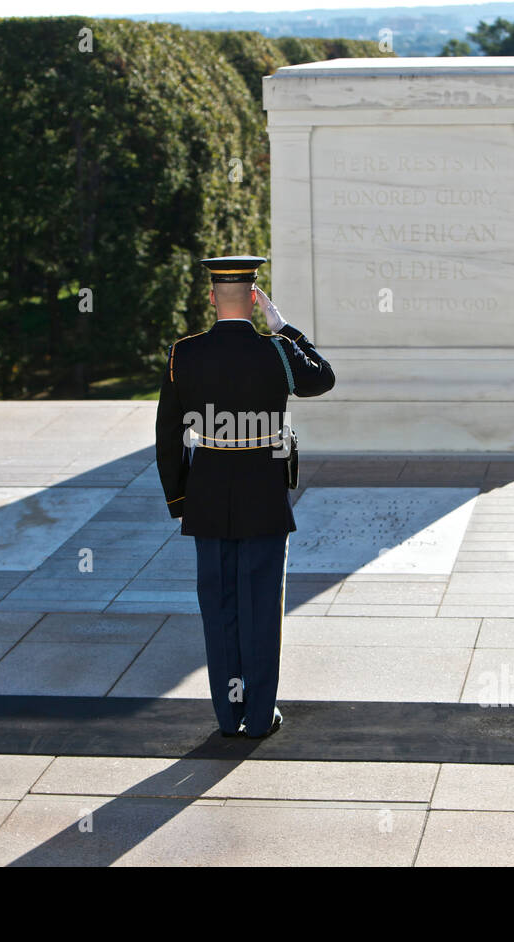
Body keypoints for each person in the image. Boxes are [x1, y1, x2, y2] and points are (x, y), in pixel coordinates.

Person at [155, 256, 335, 738]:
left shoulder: (184, 354)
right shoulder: (276, 351)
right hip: (262, 495)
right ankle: (259, 717)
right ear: (255, 300)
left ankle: (227, 715)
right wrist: (288, 329)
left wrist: (179, 501)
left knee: (219, 609)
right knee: (261, 608)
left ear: (212, 298)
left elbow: (168, 436)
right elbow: (323, 378)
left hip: (208, 497)